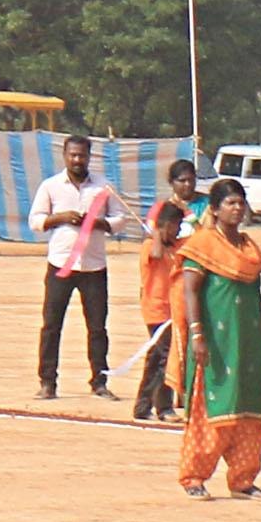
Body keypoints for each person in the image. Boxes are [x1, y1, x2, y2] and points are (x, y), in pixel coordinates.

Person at [177, 178, 261, 500]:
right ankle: (194, 477)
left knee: (249, 410)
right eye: (230, 203)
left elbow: (255, 300)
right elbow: (189, 291)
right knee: (214, 407)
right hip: (215, 343)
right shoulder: (202, 245)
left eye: (240, 202)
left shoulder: (249, 250)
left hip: (247, 342)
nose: (237, 208)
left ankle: (243, 480)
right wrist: (197, 335)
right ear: (215, 209)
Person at [29, 131, 119, 400]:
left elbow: (120, 218)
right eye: (73, 155)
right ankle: (47, 382)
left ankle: (99, 381)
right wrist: (60, 218)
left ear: (89, 157)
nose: (77, 159)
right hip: (61, 265)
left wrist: (99, 223)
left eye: (82, 155)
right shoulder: (51, 186)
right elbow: (35, 220)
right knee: (51, 325)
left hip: (93, 267)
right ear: (65, 156)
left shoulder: (103, 188)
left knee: (97, 327)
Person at [133, 180, 193, 422]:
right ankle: (162, 407)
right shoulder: (150, 245)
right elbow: (156, 253)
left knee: (160, 359)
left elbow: (196, 241)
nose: (178, 232)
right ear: (164, 226)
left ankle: (144, 406)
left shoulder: (178, 245)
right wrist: (157, 232)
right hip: (156, 311)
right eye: (175, 227)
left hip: (174, 311)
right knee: (164, 358)